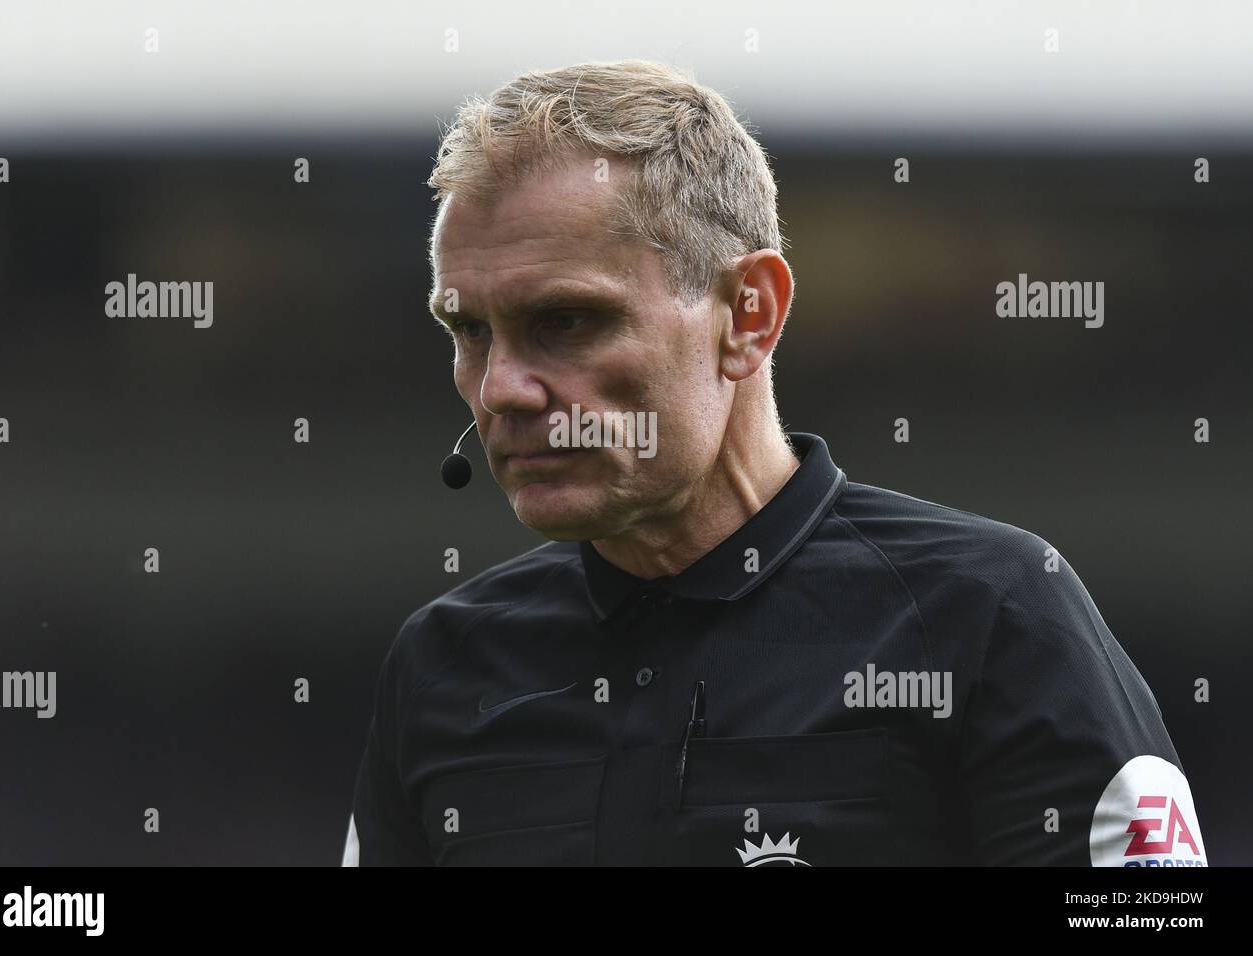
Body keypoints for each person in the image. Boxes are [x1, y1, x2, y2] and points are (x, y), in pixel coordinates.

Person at [343, 59, 1205, 866]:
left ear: (748, 314)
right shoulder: (444, 666)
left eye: (565, 322)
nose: (500, 389)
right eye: (469, 331)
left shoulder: (993, 618)